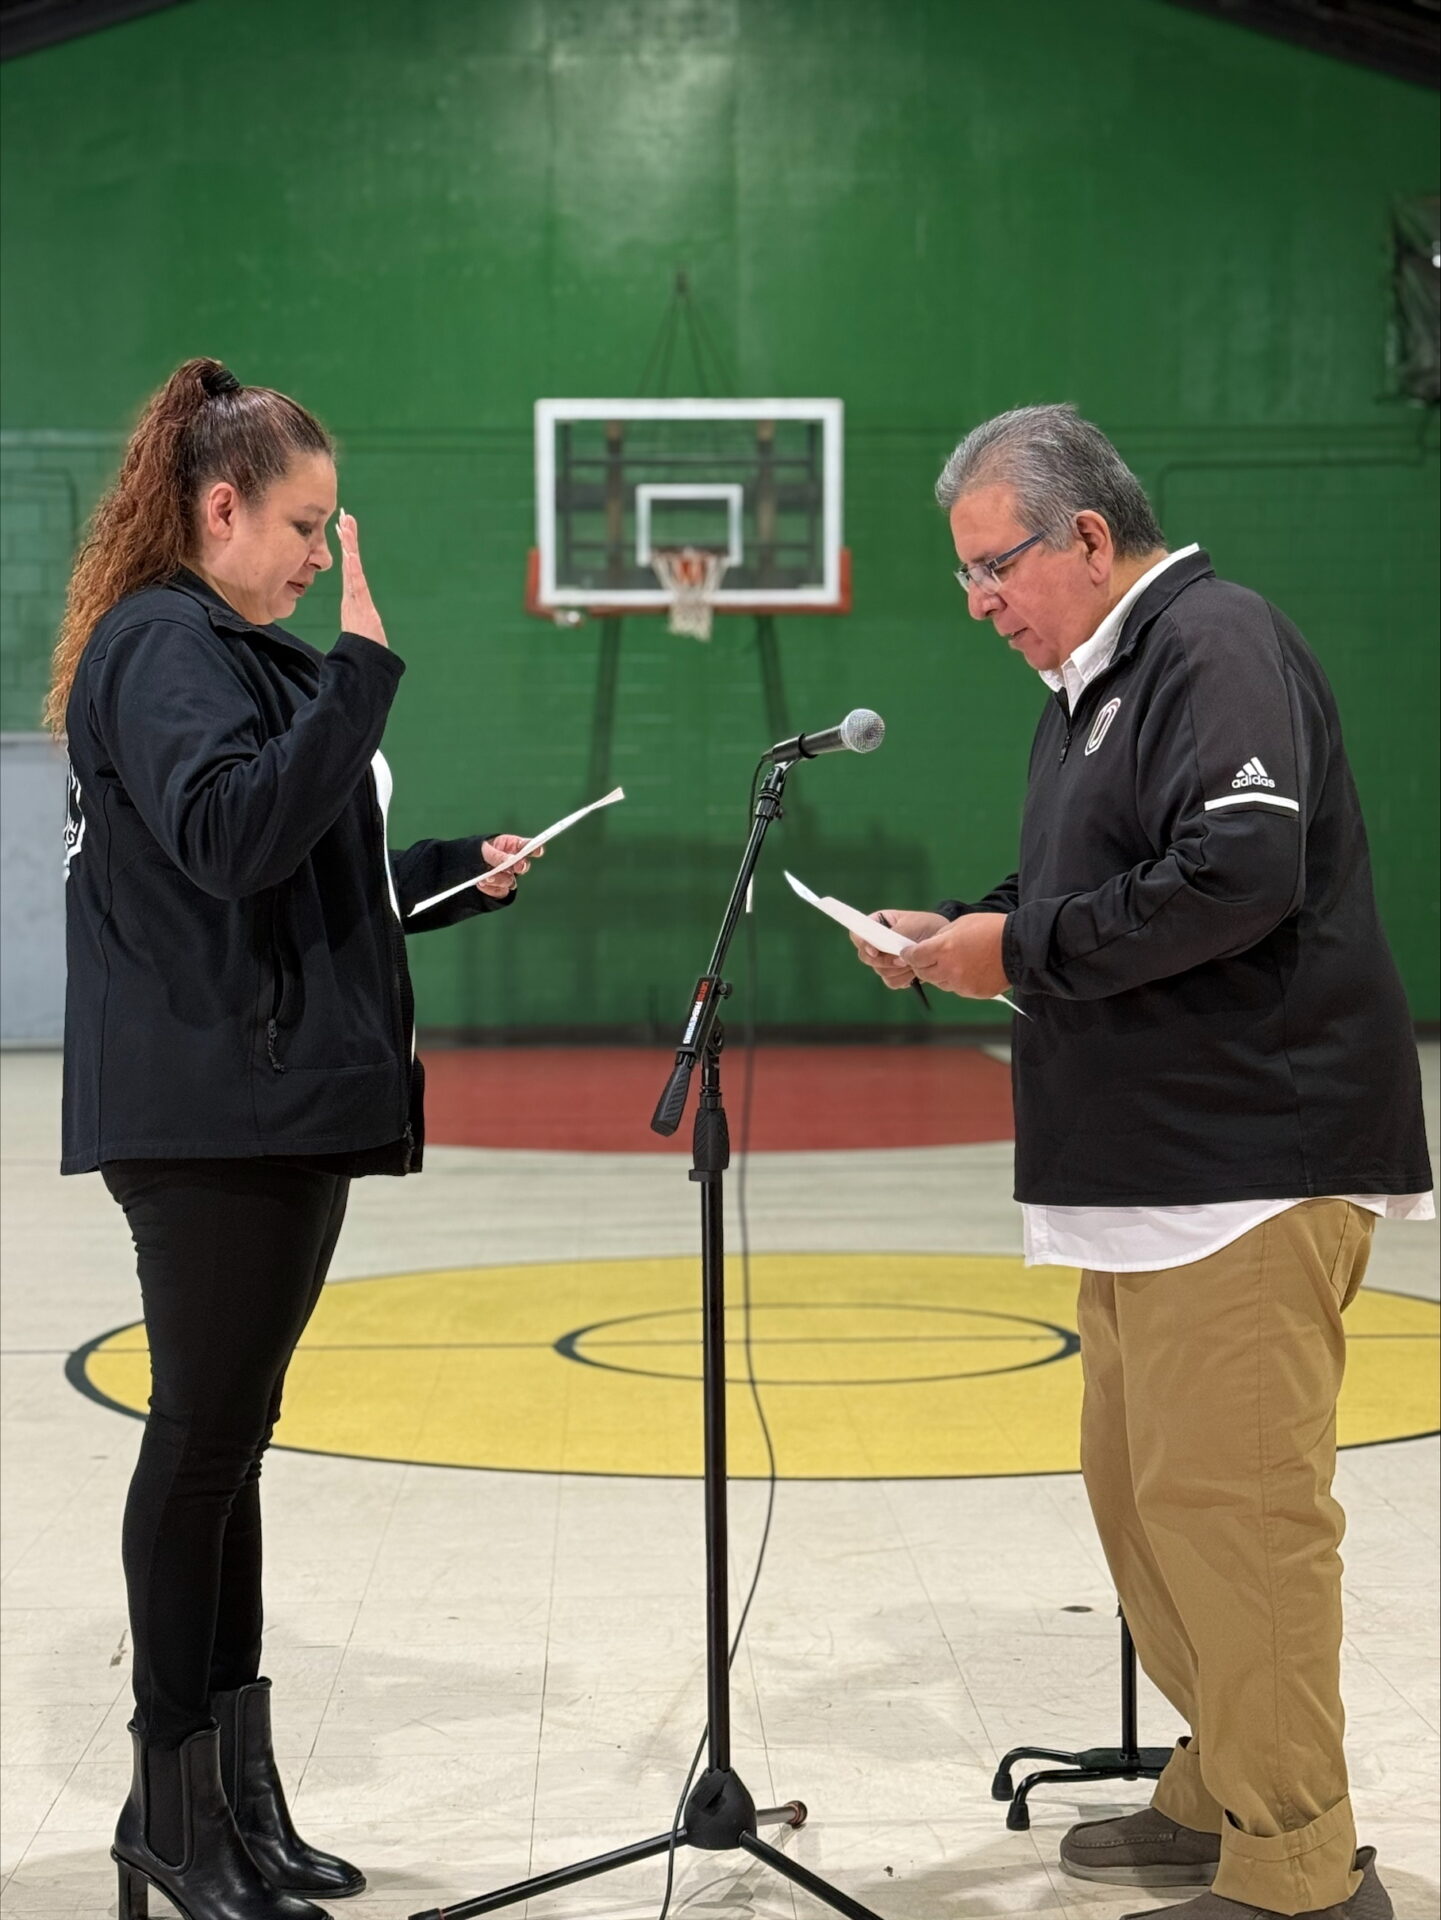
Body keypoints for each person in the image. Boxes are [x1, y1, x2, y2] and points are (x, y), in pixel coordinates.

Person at [853, 404, 1431, 1920]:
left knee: (1233, 1524)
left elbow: (1236, 871)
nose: (978, 602)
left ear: (1087, 538)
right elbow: (1094, 881)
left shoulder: (1211, 639)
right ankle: (1218, 1782)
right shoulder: (1092, 684)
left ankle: (1301, 1866)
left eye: (993, 568)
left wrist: (1014, 949)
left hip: (1244, 1162)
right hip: (1147, 1182)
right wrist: (965, 930)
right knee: (1145, 1507)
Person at [49, 358, 539, 1920]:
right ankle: (169, 1815)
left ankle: (237, 1807)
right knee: (199, 1445)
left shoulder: (231, 656)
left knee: (229, 1446)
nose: (323, 556)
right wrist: (361, 674)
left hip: (267, 1099)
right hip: (211, 1113)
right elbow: (231, 833)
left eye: (329, 531)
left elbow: (289, 867)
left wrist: (449, 870)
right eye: (305, 526)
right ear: (218, 509)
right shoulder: (161, 643)